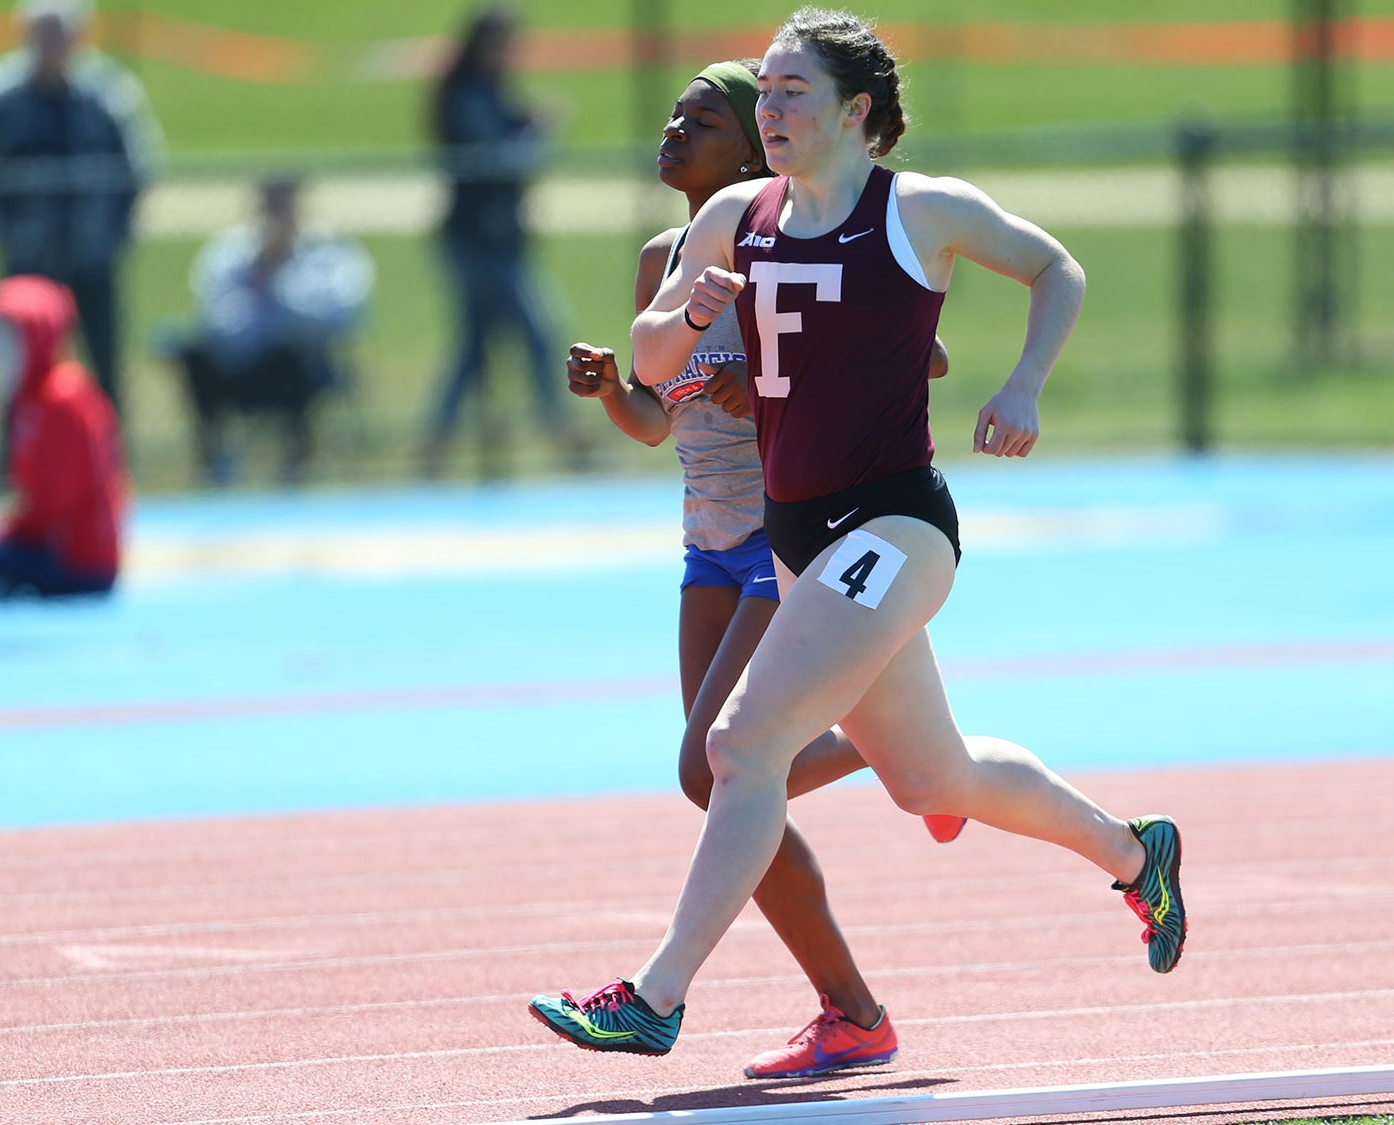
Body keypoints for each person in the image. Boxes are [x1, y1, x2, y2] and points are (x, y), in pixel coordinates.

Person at [529, 7, 1185, 1061]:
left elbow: (1054, 266)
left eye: (793, 91)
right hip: (796, 538)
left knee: (740, 744)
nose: (772, 109)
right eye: (766, 91)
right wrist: (690, 315)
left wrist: (1023, 382)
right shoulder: (736, 214)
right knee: (934, 778)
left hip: (894, 522)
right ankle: (1134, 853)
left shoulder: (919, 209)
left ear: (855, 110)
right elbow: (649, 363)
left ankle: (654, 996)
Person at [562, 59, 961, 1080]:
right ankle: (854, 1013)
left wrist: (778, 382)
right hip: (705, 539)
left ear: (751, 153)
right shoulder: (664, 259)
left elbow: (919, 357)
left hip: (787, 537)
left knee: (714, 766)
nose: (671, 131)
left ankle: (885, 750)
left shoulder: (792, 239)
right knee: (728, 782)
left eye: (700, 121)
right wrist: (610, 391)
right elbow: (655, 418)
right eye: (674, 114)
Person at [0, 0, 160, 416]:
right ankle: (15, 449)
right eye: (42, 34)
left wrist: (115, 232)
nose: (51, 45)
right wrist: (0, 230)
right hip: (26, 259)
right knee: (18, 367)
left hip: (92, 254)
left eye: (60, 34)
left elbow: (136, 169)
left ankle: (106, 446)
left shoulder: (107, 96)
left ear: (78, 36)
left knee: (104, 363)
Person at [419, 7, 581, 474]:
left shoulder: (488, 89)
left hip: (497, 238)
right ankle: (559, 426)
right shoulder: (467, 94)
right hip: (478, 240)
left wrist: (524, 121)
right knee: (537, 331)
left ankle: (437, 435)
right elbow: (502, 160)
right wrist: (539, 131)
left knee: (475, 346)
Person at [0, 275, 127, 601]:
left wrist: (3, 530)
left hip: (78, 564)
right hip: (59, 551)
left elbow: (55, 506)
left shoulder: (62, 400)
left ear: (37, 339)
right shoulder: (34, 403)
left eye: (6, 345)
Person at [161, 176, 373, 485]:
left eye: (283, 206)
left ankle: (295, 459)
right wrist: (259, 272)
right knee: (194, 355)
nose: (276, 216)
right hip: (238, 367)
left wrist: (279, 280)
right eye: (270, 206)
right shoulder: (230, 253)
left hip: (298, 367)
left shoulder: (328, 252)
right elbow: (215, 319)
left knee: (294, 355)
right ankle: (215, 456)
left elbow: (343, 313)